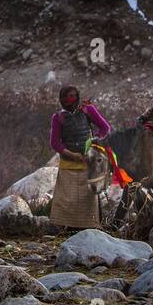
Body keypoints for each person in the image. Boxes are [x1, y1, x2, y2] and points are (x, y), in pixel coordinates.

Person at [48, 85, 112, 229]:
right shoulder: (58, 118)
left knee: (88, 197)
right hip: (68, 164)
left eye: (72, 96)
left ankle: (91, 225)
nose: (69, 100)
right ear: (60, 99)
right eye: (65, 97)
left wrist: (94, 143)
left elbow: (105, 128)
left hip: (88, 162)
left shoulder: (88, 110)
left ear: (77, 96)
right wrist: (72, 155)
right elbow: (55, 143)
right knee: (66, 199)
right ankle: (65, 227)